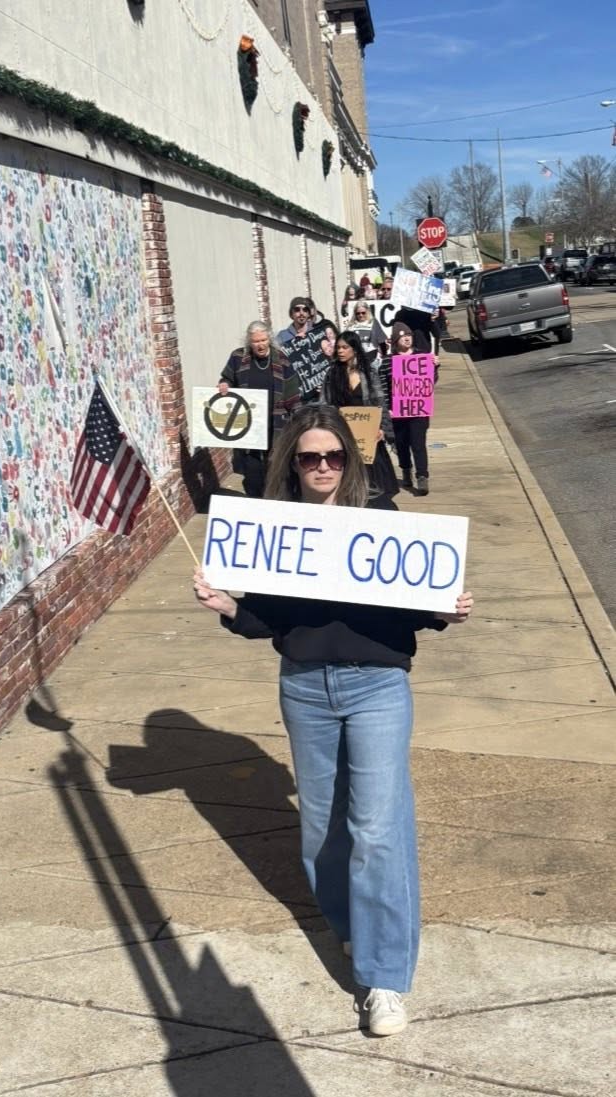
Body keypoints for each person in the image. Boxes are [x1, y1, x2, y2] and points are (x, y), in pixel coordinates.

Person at [193, 404, 474, 1036]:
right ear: (292, 465)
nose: (322, 467)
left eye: (334, 456)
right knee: (321, 829)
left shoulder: (381, 520)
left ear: (350, 460)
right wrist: (228, 605)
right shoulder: (275, 529)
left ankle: (384, 978)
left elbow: (413, 604)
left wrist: (444, 608)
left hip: (377, 685)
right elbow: (270, 619)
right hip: (304, 688)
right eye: (309, 458)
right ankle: (350, 926)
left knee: (377, 828)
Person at [218, 321, 300, 498]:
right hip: (250, 426)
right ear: (249, 342)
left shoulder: (281, 360)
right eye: (256, 341)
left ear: (269, 339)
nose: (260, 345)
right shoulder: (238, 358)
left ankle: (275, 503)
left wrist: (299, 421)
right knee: (252, 474)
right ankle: (255, 501)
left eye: (263, 340)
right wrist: (224, 384)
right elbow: (227, 378)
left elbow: (293, 395)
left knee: (277, 472)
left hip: (276, 425)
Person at [320, 329, 398, 504]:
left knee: (375, 483)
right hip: (343, 434)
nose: (340, 351)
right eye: (338, 348)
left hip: (367, 436)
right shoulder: (332, 374)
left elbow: (380, 403)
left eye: (344, 347)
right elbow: (325, 404)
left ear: (354, 349)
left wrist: (383, 429)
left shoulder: (369, 372)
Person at [378, 322, 431, 496]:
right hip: (398, 411)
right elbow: (384, 388)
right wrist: (388, 408)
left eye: (409, 335)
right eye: (403, 336)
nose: (407, 338)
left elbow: (430, 381)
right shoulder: (387, 361)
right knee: (401, 444)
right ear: (395, 341)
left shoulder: (422, 356)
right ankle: (406, 469)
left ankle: (422, 476)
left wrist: (434, 366)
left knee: (418, 443)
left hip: (418, 409)